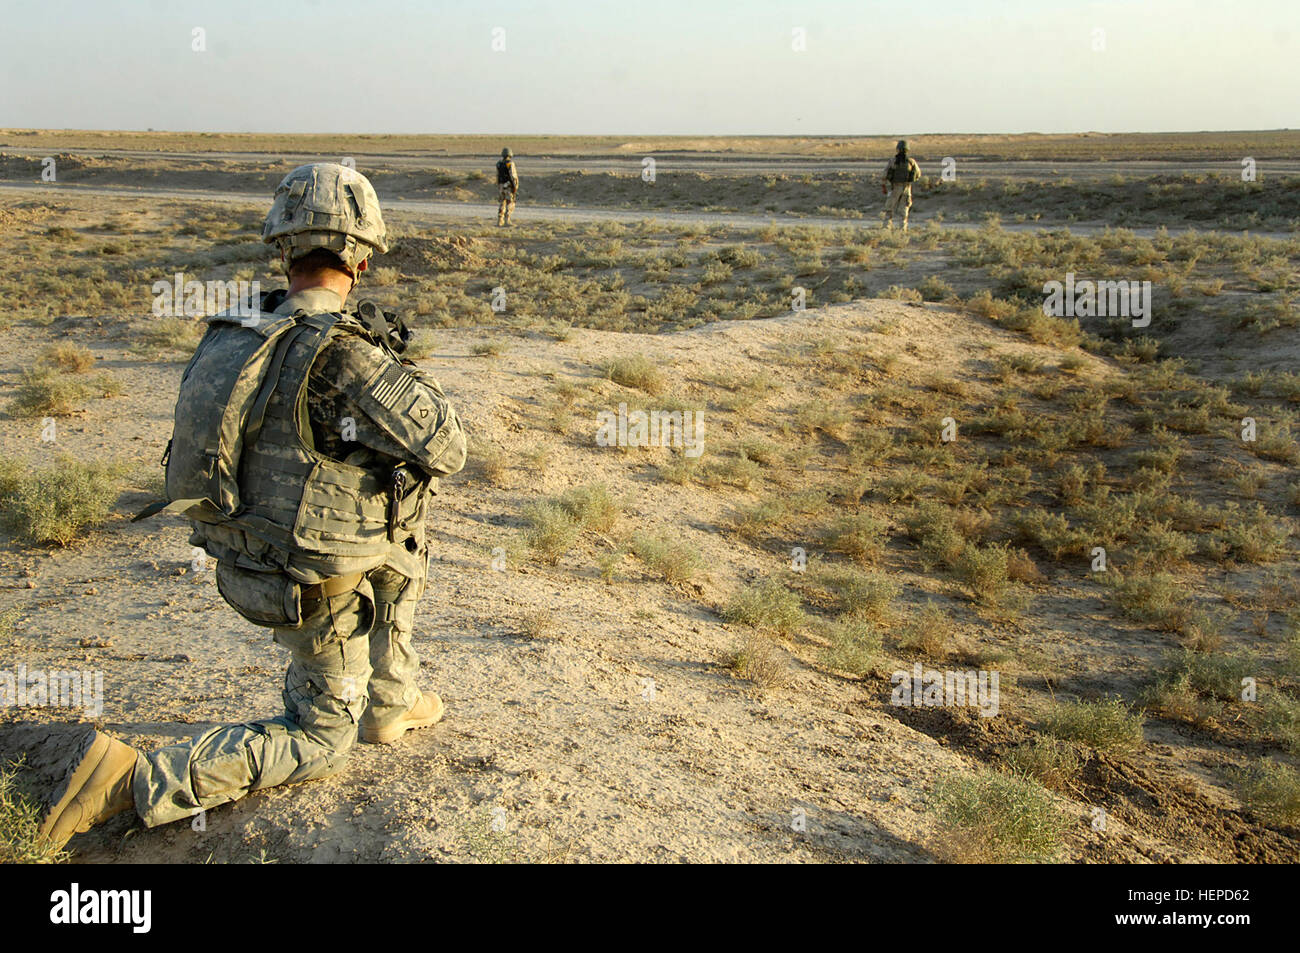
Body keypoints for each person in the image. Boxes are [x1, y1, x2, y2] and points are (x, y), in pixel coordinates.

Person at [37, 163, 467, 850]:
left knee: (392, 498)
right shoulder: (344, 355)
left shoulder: (237, 331)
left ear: (284, 251)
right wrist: (395, 366)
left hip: (243, 561)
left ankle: (389, 697)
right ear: (361, 257)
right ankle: (132, 780)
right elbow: (448, 446)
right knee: (322, 739)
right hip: (311, 591)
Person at [881, 139, 922, 230]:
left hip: (895, 187)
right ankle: (902, 229)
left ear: (898, 149)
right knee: (904, 211)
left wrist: (883, 186)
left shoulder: (893, 161)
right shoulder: (911, 162)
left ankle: (886, 228)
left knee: (889, 209)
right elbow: (918, 174)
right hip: (906, 188)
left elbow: (884, 174)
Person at [496, 147, 519, 226]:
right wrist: (514, 186)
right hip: (508, 186)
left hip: (501, 186)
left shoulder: (499, 164)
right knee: (510, 202)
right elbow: (512, 175)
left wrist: (499, 186)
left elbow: (497, 176)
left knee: (502, 203)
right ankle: (507, 220)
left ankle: (500, 220)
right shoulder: (510, 164)